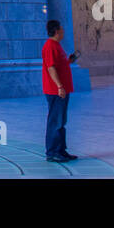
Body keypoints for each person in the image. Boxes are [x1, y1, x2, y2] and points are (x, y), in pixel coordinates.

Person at [41, 18, 79, 162]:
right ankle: (52, 152)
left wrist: (69, 60)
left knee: (61, 121)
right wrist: (59, 86)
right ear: (57, 31)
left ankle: (61, 150)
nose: (63, 30)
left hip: (61, 90)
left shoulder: (56, 45)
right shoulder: (49, 46)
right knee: (55, 121)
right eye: (61, 28)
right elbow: (51, 68)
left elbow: (59, 64)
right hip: (55, 91)